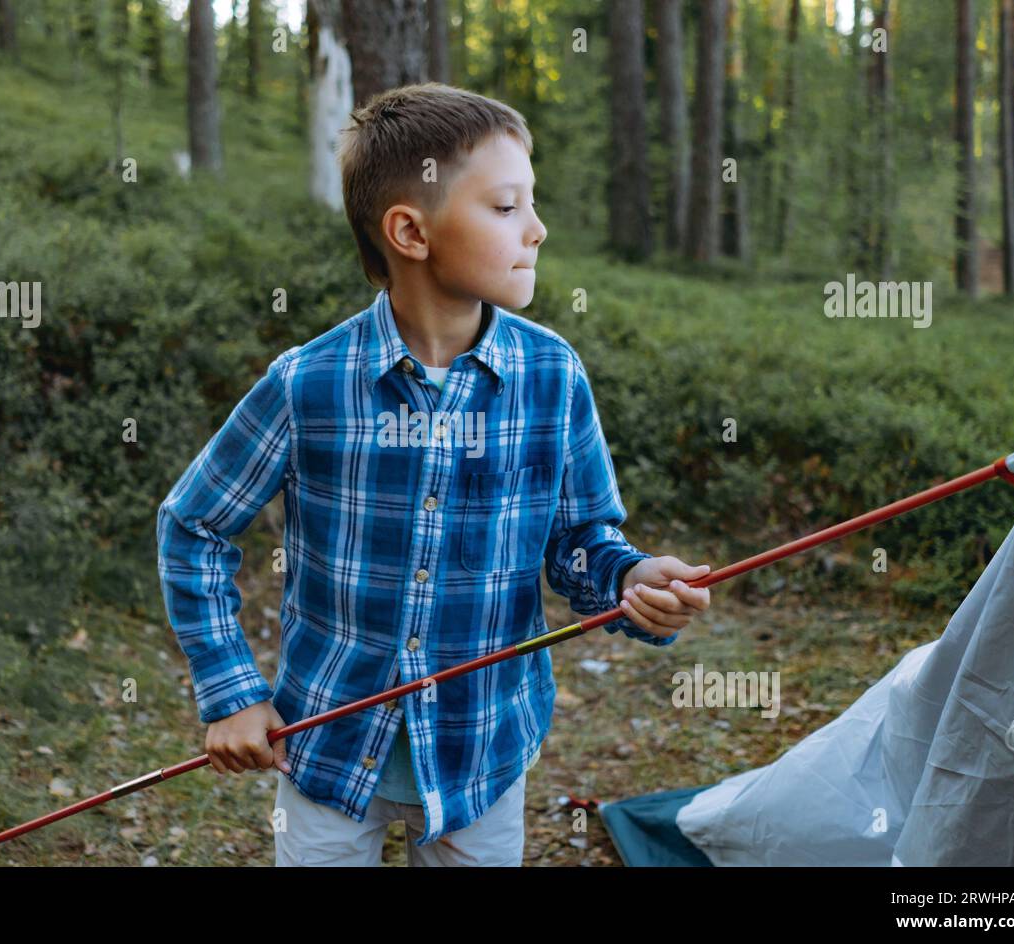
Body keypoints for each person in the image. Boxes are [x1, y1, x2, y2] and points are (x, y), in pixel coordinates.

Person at [156, 82, 711, 867]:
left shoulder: (552, 374)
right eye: (507, 206)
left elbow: (581, 541)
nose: (539, 229)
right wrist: (232, 690)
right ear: (411, 231)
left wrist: (628, 583)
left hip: (482, 750)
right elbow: (194, 525)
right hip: (328, 748)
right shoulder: (306, 382)